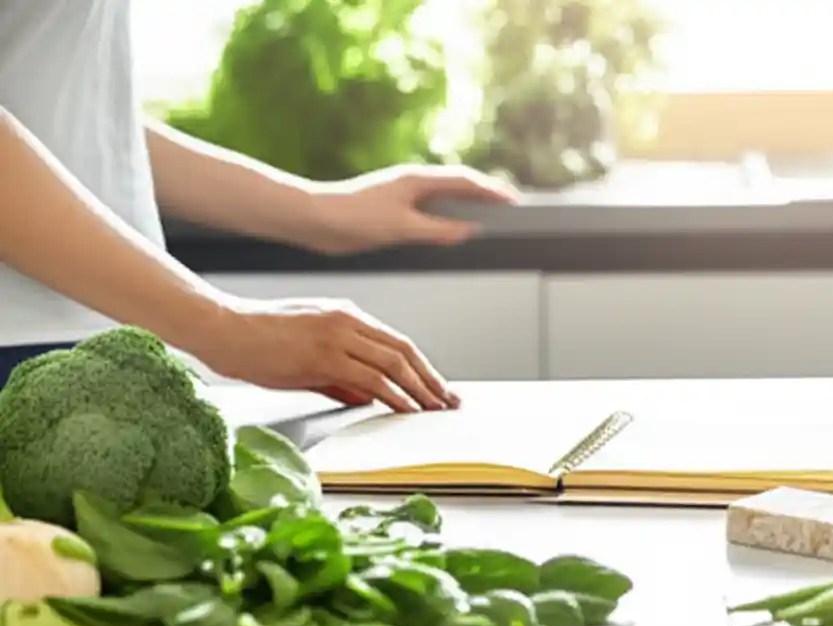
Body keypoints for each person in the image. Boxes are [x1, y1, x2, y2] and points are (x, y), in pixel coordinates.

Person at [0, 2, 518, 412]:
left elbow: (66, 118)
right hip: (23, 357)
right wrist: (223, 326)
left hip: (111, 340)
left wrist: (320, 212)